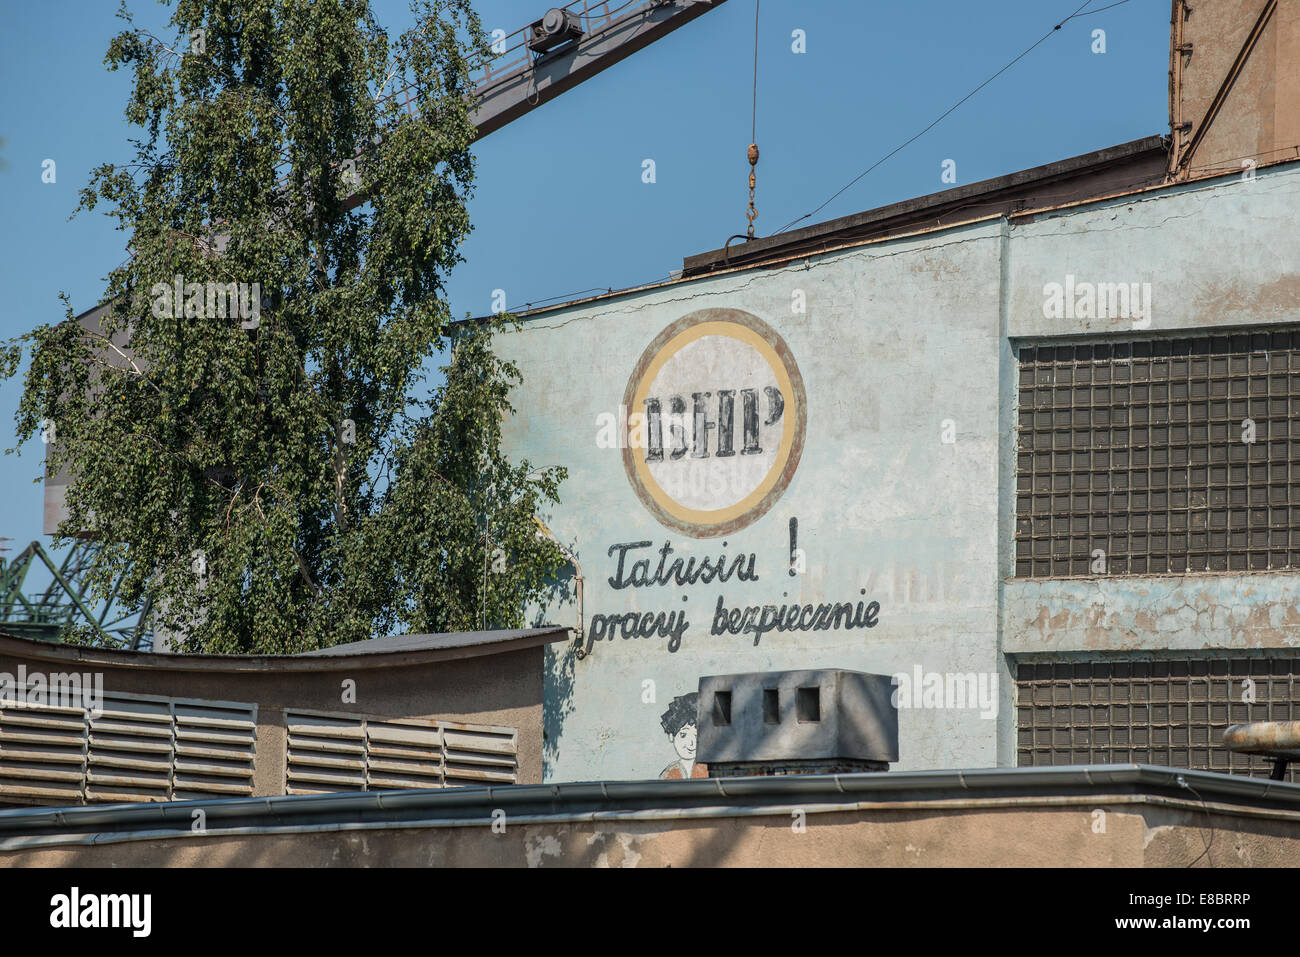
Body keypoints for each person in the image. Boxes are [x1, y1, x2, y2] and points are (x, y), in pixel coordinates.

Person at [659, 692, 708, 779]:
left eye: (697, 736)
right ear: (671, 736)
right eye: (683, 735)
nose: (691, 743)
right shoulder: (669, 773)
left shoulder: (708, 769)